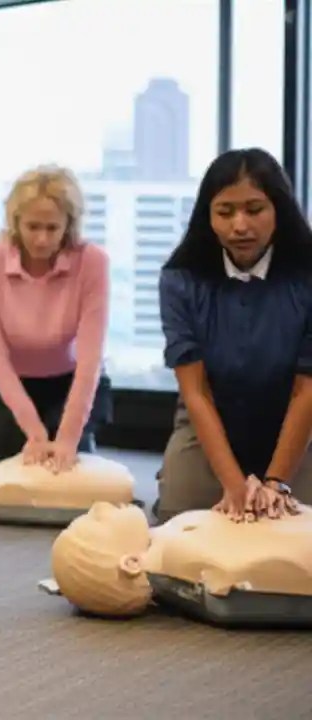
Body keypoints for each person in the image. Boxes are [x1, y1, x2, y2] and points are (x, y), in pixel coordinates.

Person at [155, 148, 312, 523]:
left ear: (279, 210)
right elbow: (196, 392)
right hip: (210, 418)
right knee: (181, 522)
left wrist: (276, 483)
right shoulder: (179, 279)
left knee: (293, 528)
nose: (239, 226)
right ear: (207, 216)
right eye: (224, 212)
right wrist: (234, 485)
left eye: (254, 210)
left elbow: (307, 390)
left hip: (297, 421)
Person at [0, 165, 112, 470]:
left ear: (68, 226)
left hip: (71, 382)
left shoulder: (92, 262)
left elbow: (89, 361)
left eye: (52, 228)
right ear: (15, 222)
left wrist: (68, 437)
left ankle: (85, 439)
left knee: (65, 471)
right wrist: (33, 432)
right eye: (33, 227)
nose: (42, 239)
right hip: (11, 384)